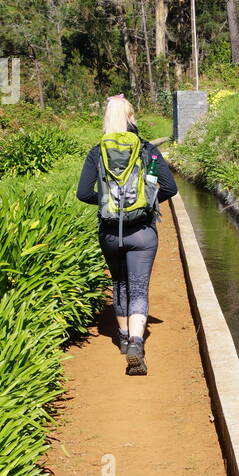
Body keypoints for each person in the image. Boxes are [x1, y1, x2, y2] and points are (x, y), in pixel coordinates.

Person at [76, 95, 177, 375]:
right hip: (143, 232)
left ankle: (122, 337)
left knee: (119, 282)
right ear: (132, 117)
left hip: (109, 232)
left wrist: (109, 206)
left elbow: (83, 193)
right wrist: (146, 203)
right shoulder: (148, 151)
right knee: (138, 287)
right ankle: (136, 342)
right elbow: (169, 188)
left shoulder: (97, 152)